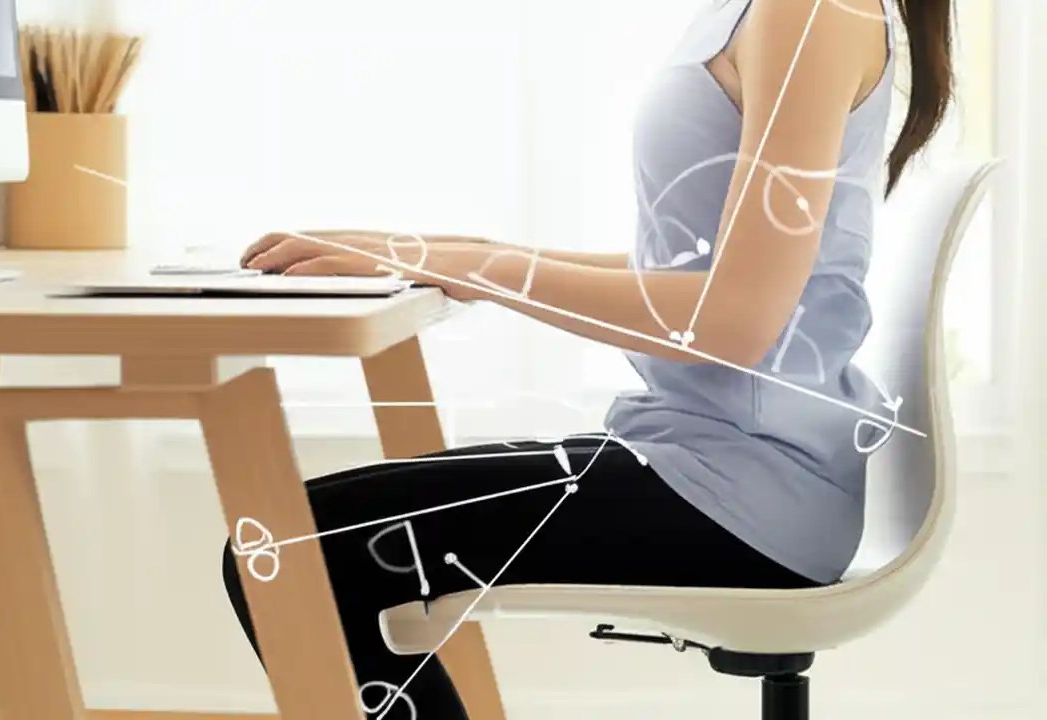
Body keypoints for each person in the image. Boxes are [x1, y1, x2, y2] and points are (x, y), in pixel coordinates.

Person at [223, 0, 956, 717]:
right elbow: (697, 273)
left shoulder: (810, 12)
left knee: (289, 552)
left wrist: (467, 267)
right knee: (298, 545)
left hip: (738, 493)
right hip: (701, 462)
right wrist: (443, 253)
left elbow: (734, 322)